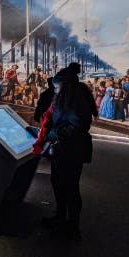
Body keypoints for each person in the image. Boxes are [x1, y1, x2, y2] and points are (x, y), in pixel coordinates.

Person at [37, 63, 96, 239]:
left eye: (56, 86)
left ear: (65, 85)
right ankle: (61, 219)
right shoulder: (69, 98)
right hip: (64, 149)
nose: (54, 90)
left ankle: (72, 227)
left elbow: (77, 126)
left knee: (70, 187)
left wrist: (55, 132)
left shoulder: (76, 102)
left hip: (72, 150)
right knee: (59, 183)